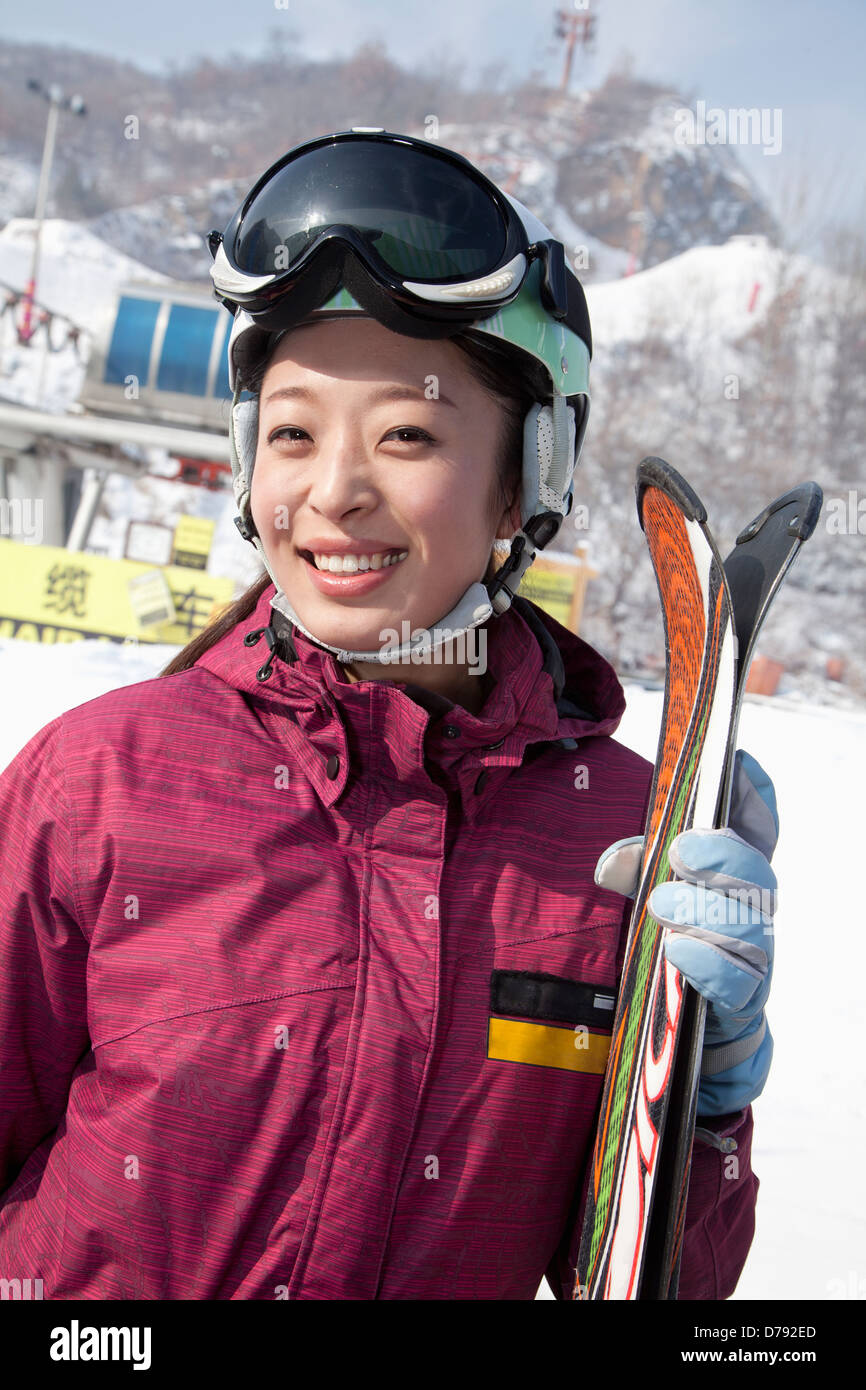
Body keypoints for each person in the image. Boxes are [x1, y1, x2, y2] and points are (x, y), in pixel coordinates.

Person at [0, 129, 775, 1300]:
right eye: (293, 430)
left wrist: (700, 1107)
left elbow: (656, 1292)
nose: (332, 490)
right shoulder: (100, 780)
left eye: (406, 434)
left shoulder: (617, 841)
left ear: (526, 476)